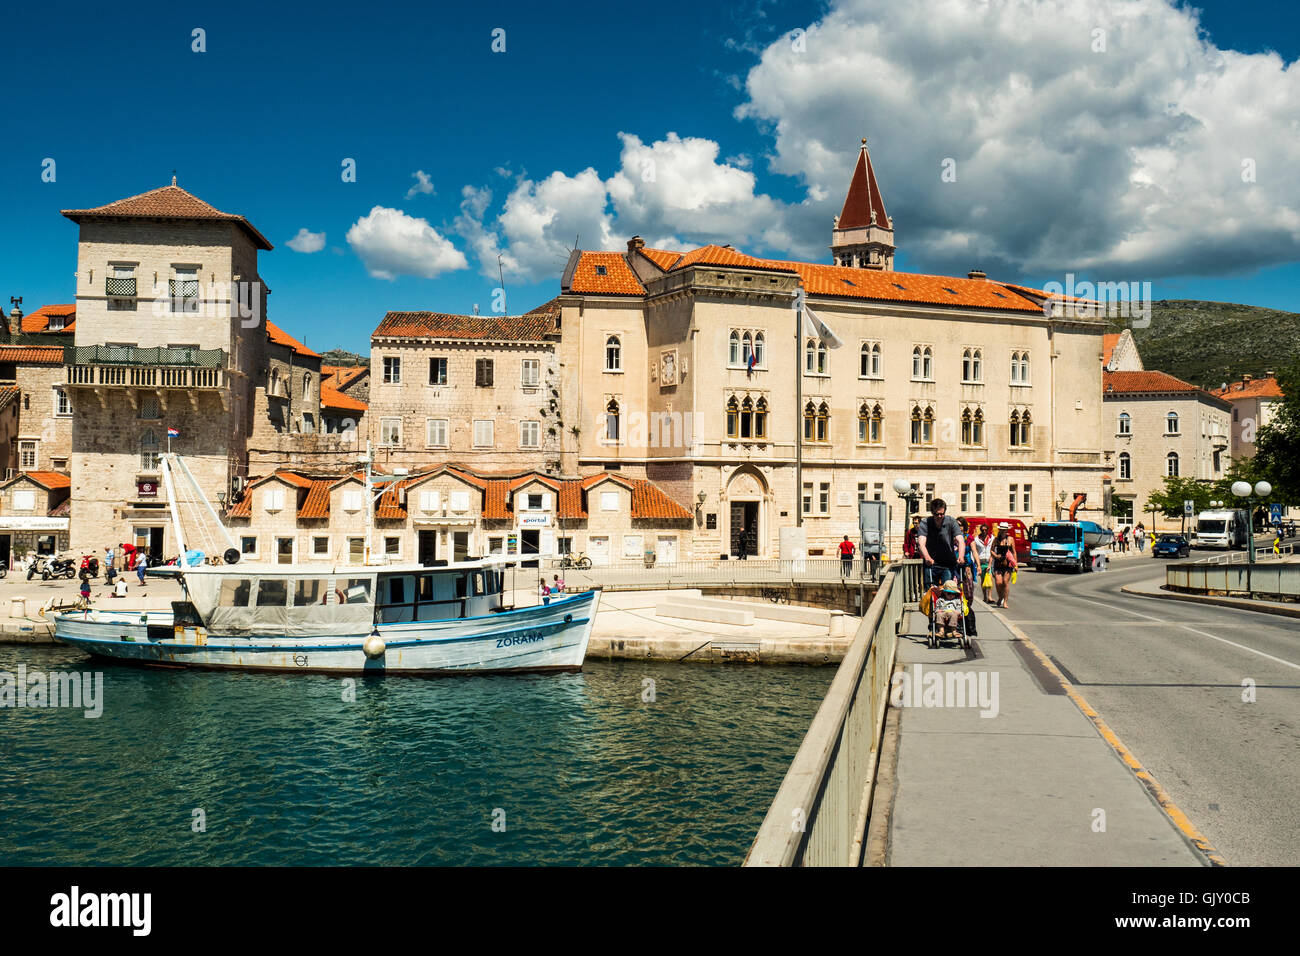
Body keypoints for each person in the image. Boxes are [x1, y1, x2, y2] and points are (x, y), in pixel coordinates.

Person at [916, 498, 965, 587]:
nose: (939, 516)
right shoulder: (925, 523)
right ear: (932, 513)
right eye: (936, 514)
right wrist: (927, 557)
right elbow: (921, 543)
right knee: (930, 591)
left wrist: (961, 556)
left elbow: (960, 540)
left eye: (942, 514)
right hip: (931, 563)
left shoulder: (951, 521)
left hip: (948, 563)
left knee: (948, 590)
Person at [991, 526, 1018, 609]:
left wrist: (1015, 564)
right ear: (1000, 530)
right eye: (1002, 529)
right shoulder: (996, 540)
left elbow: (1014, 552)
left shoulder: (1010, 539)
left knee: (1005, 582)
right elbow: (991, 550)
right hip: (998, 562)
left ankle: (1005, 601)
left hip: (1007, 563)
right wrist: (996, 556)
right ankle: (1000, 597)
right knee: (998, 582)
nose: (1003, 531)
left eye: (1005, 530)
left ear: (1007, 530)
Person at [973, 525, 994, 603]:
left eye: (985, 530)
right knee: (983, 579)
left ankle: (990, 596)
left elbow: (993, 551)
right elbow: (975, 551)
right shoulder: (976, 539)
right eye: (982, 530)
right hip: (981, 561)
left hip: (989, 561)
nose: (984, 531)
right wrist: (976, 563)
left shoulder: (992, 539)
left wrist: (990, 564)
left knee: (990, 578)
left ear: (988, 530)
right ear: (980, 530)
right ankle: (985, 596)